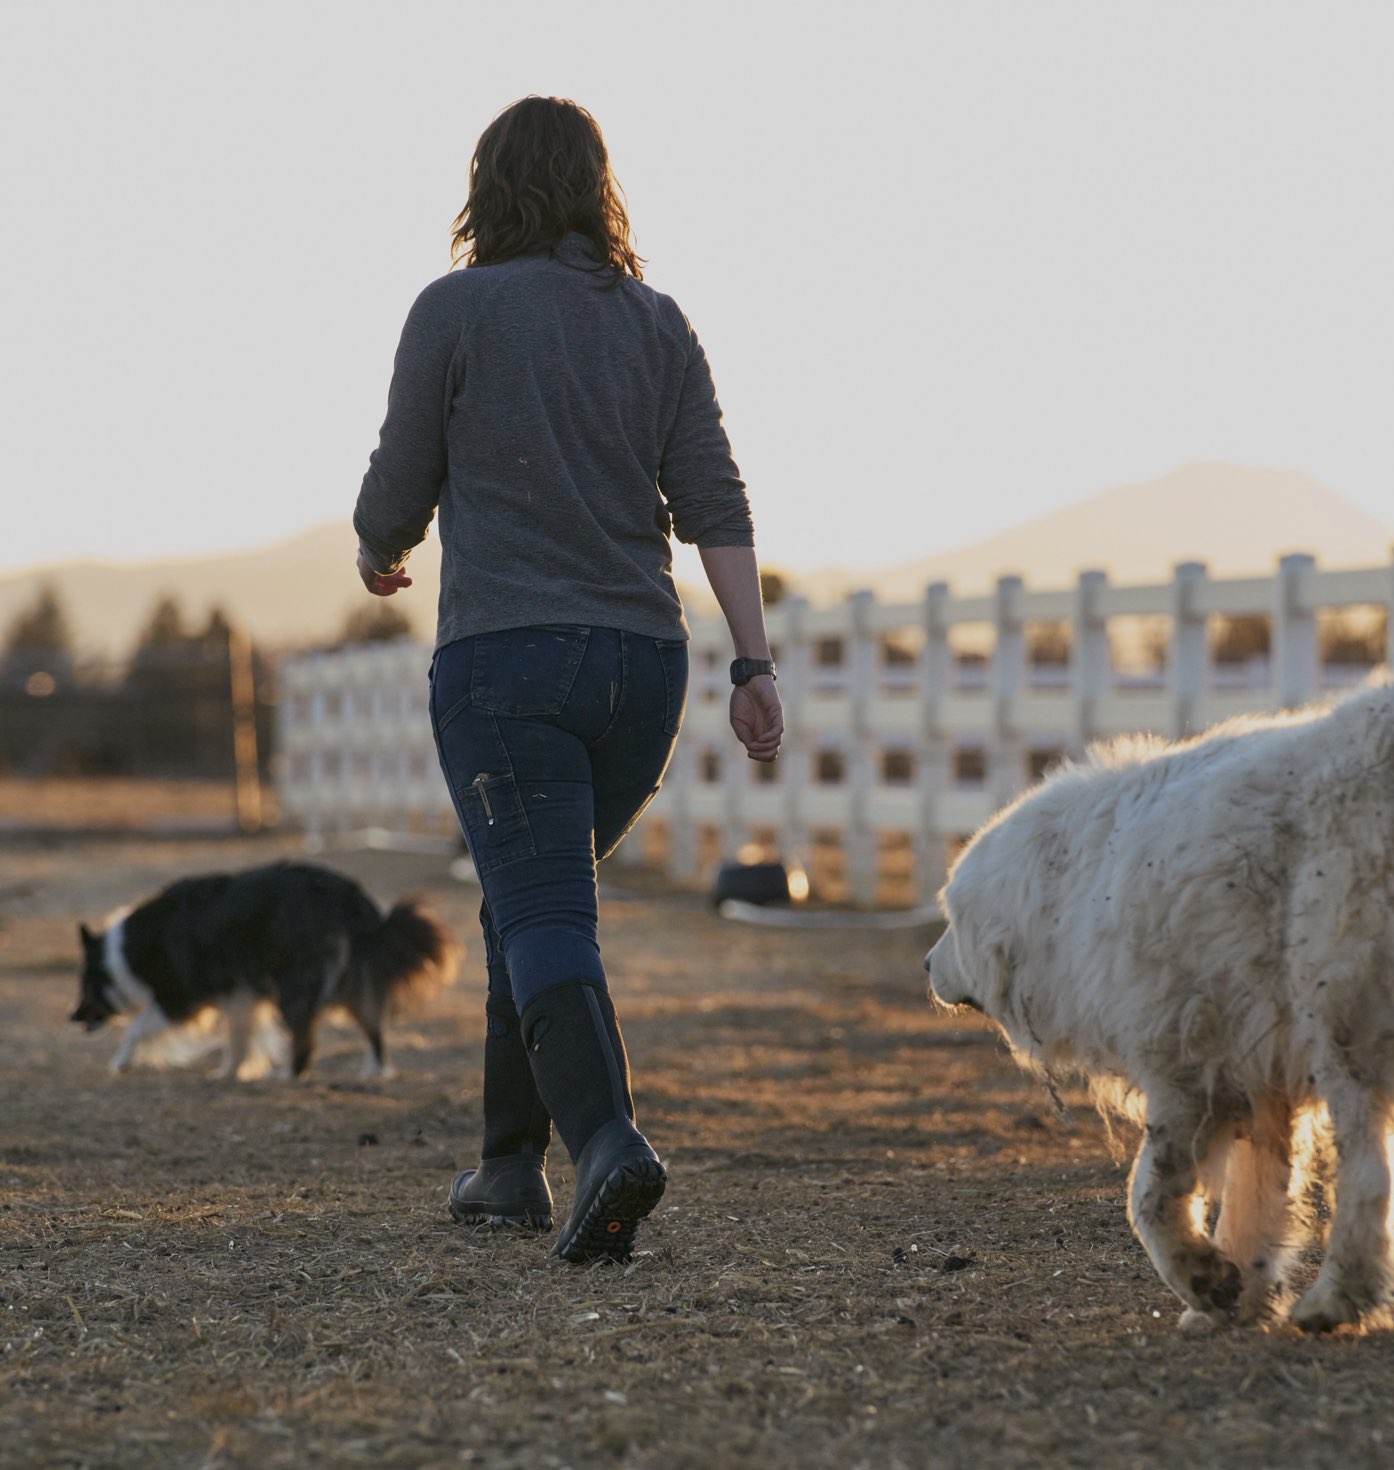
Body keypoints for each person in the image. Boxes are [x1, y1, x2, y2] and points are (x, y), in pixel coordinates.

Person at [352, 96, 784, 1264]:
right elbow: (717, 502)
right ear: (601, 189)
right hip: (642, 672)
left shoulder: (455, 310)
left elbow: (401, 480)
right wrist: (752, 660)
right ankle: (506, 1164)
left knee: (540, 903)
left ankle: (603, 1144)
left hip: (507, 662)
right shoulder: (657, 324)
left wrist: (377, 548)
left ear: (488, 190)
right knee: (527, 889)